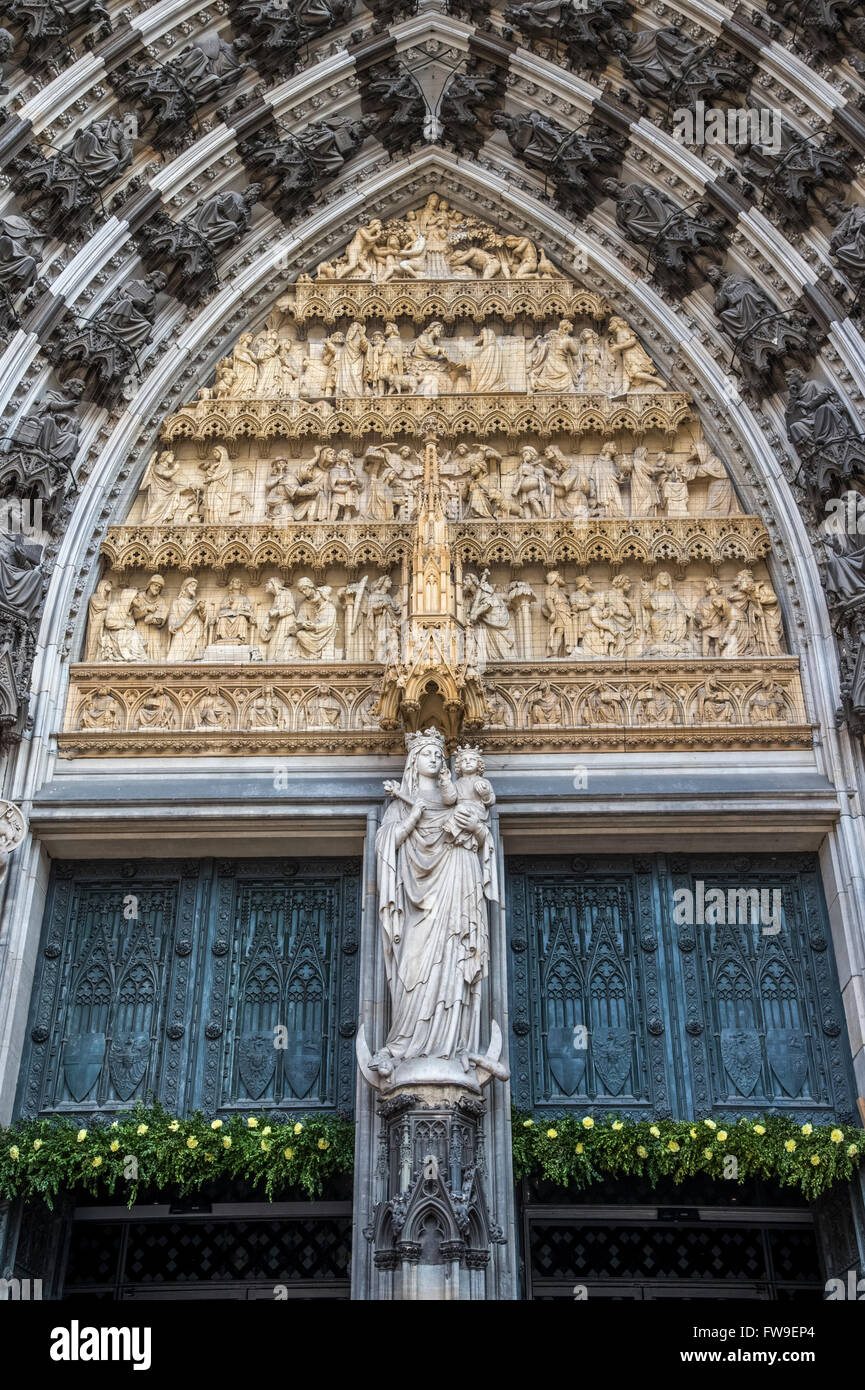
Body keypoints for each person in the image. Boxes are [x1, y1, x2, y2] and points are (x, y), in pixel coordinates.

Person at [371, 729, 497, 1078]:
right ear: (414, 759)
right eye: (427, 753)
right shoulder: (401, 803)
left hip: (456, 887)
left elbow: (483, 840)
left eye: (438, 754)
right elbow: (386, 845)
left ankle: (453, 1048)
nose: (434, 758)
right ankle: (403, 1046)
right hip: (416, 899)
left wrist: (480, 831)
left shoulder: (457, 799)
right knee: (412, 964)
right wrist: (412, 818)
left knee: (455, 960)